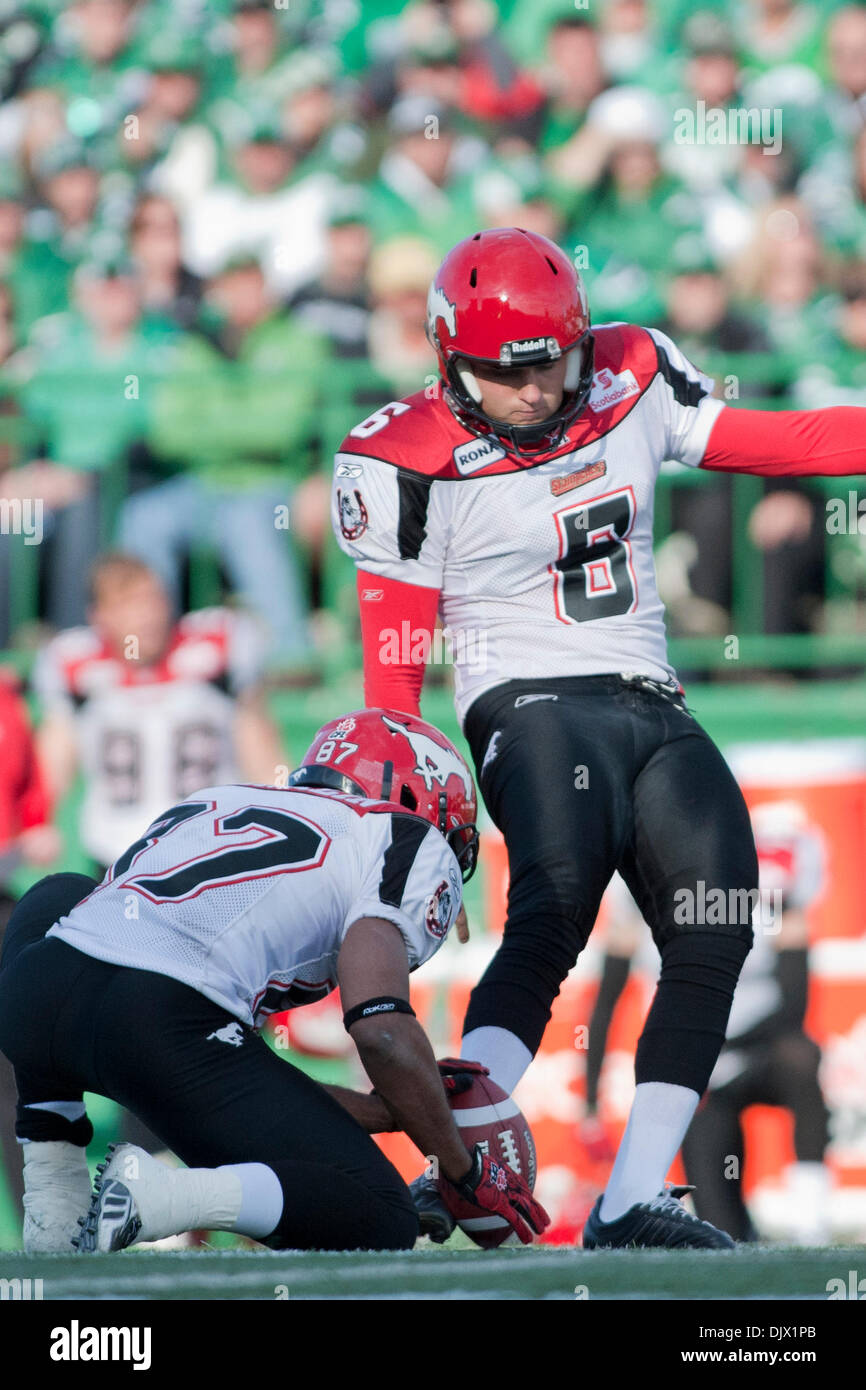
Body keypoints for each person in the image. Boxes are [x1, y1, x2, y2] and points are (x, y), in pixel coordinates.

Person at [331, 225, 866, 1249]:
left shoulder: (627, 370)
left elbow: (783, 443)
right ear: (449, 360)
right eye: (508, 372)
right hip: (527, 702)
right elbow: (391, 656)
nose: (537, 391)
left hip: (650, 698)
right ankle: (462, 1156)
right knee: (557, 899)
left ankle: (625, 1200)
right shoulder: (399, 455)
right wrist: (394, 787)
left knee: (716, 921)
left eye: (553, 364)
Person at [0, 708, 547, 1254]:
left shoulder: (212, 800)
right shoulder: (405, 839)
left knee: (62, 888)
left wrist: (392, 1110)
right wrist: (464, 1169)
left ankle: (52, 1179)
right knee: (384, 1215)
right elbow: (380, 1027)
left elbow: (241, 1078)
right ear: (416, 798)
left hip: (35, 995)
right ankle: (163, 1197)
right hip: (158, 1023)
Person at [584, 802, 831, 1244]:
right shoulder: (633, 899)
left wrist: (714, 1043)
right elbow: (606, 1004)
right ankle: (744, 1228)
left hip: (754, 1050)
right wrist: (589, 1103)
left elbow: (794, 1006)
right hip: (698, 1073)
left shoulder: (768, 887)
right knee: (721, 1231)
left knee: (800, 1055)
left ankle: (811, 1218)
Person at [33, 552, 285, 877]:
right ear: (99, 615)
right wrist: (38, 821)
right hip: (118, 851)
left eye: (152, 600)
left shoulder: (216, 647)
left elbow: (258, 744)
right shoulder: (74, 665)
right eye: (129, 604)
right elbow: (55, 756)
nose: (146, 615)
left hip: (211, 845)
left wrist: (281, 808)